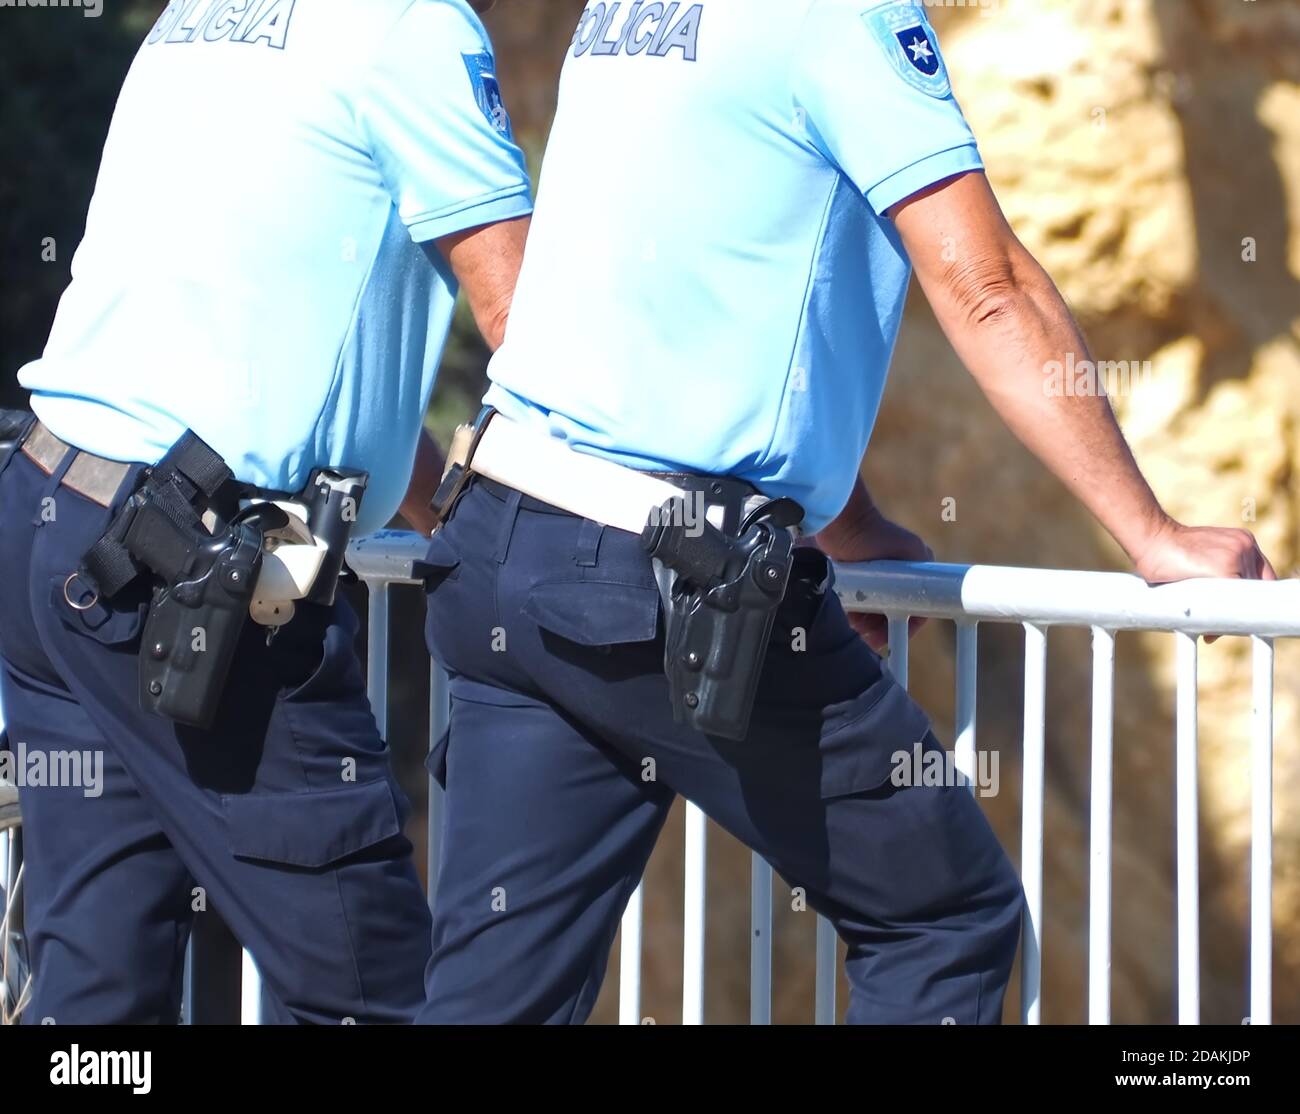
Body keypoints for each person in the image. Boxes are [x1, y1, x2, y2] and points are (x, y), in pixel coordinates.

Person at [417, 0, 1276, 1024]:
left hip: (503, 533)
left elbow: (696, 309)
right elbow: (987, 285)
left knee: (489, 997)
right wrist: (1151, 533)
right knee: (941, 915)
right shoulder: (843, 13)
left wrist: (846, 526)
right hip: (655, 576)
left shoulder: (628, 12)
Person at [1, 0, 530, 1024]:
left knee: (97, 996)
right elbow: (528, 327)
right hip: (193, 572)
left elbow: (295, 357)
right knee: (371, 987)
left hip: (56, 518)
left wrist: (454, 532)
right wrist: (578, 556)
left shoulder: (203, 14)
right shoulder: (413, 23)